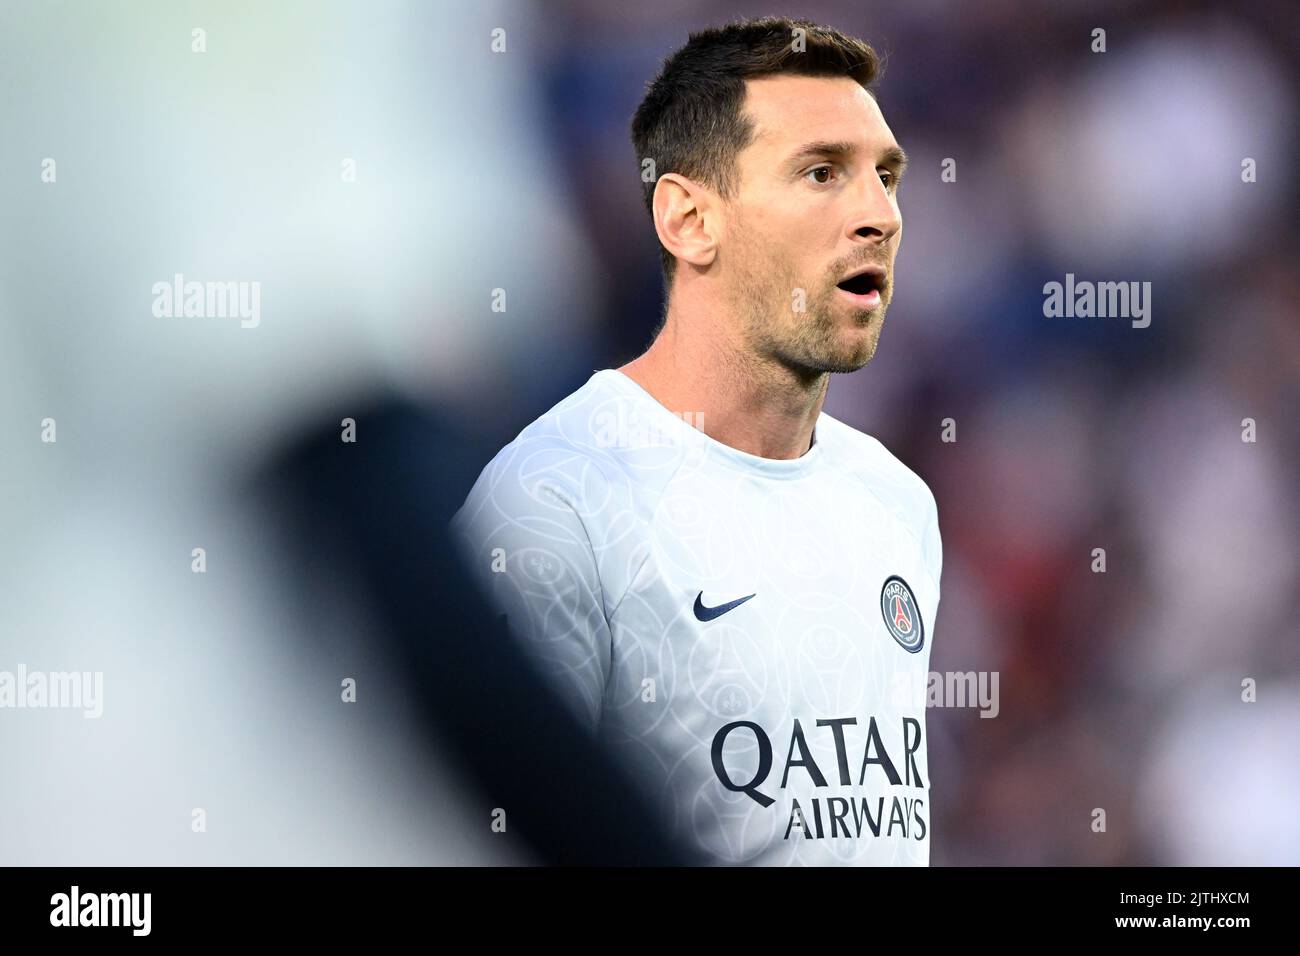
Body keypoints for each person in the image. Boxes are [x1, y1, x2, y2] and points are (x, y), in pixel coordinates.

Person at [452, 16, 941, 865]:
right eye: (823, 173)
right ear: (688, 220)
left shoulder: (895, 502)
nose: (878, 216)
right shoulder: (554, 502)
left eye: (886, 177)